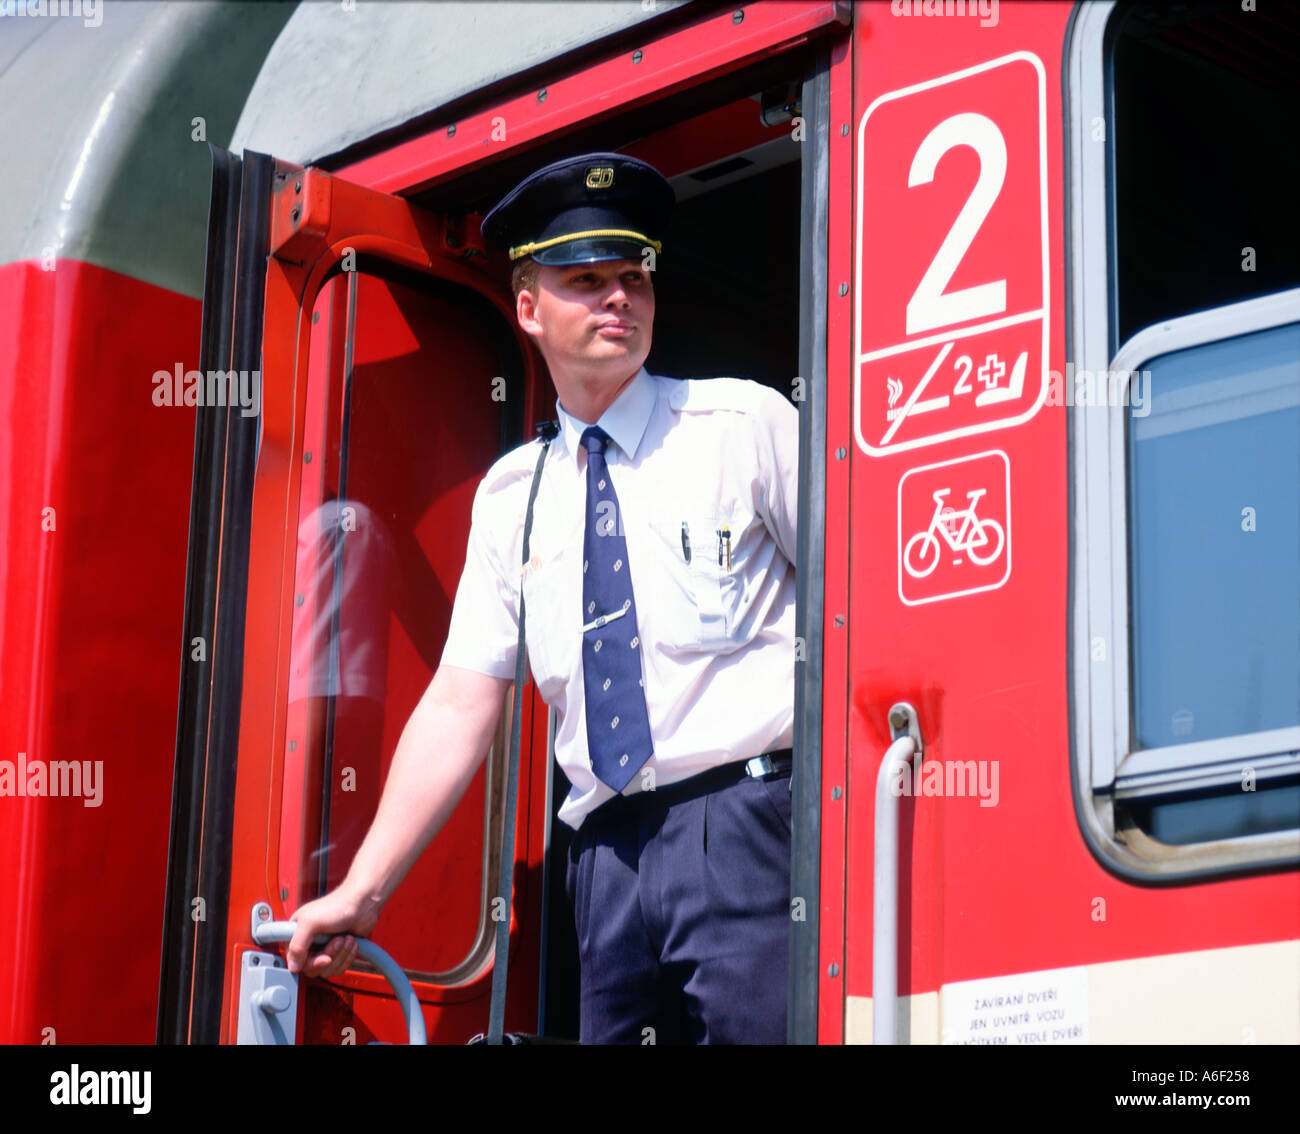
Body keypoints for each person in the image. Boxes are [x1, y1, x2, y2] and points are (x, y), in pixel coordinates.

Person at [285, 152, 799, 1044]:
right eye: (587, 280)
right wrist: (359, 892)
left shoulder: (743, 427)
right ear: (527, 308)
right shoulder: (511, 495)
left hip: (746, 829)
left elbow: (868, 610)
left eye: (633, 276)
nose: (619, 299)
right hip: (603, 865)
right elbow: (459, 702)